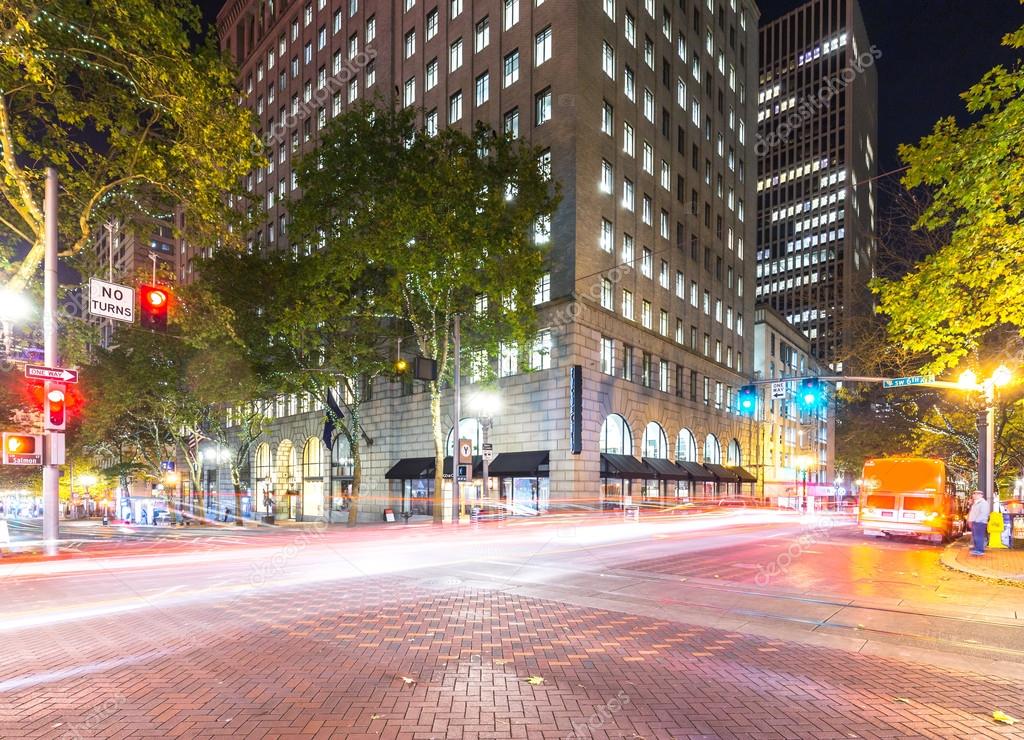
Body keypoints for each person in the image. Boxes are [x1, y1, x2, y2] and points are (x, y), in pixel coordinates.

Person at [968, 490, 991, 556]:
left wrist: (976, 521)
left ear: (981, 495)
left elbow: (984, 514)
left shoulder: (983, 503)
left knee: (979, 537)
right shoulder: (976, 503)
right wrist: (971, 521)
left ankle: (980, 550)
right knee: (975, 537)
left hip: (980, 522)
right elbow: (973, 513)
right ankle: (976, 549)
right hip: (975, 522)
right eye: (974, 494)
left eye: (976, 494)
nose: (974, 495)